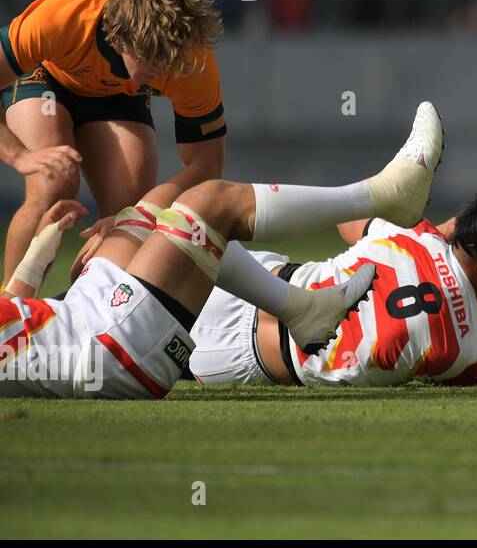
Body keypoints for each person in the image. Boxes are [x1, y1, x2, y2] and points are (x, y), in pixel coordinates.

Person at [0, 103, 444, 399]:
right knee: (207, 204)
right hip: (110, 349)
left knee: (148, 210)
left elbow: (12, 321)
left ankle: (303, 310)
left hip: (84, 316)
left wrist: (37, 257)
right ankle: (386, 194)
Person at [184, 194, 477, 388]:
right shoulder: (462, 345)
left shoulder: (411, 238)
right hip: (238, 354)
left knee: (150, 245)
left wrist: (426, 231)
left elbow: (346, 216)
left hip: (253, 275)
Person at [0, 0, 227, 281]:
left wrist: (141, 213)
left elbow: (206, 166)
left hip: (119, 95)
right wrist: (19, 156)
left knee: (128, 221)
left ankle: (88, 310)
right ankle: (8, 314)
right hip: (48, 77)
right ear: (119, 36)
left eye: (169, 57)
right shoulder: (65, 16)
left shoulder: (190, 58)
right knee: (55, 182)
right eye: (151, 55)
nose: (163, 68)